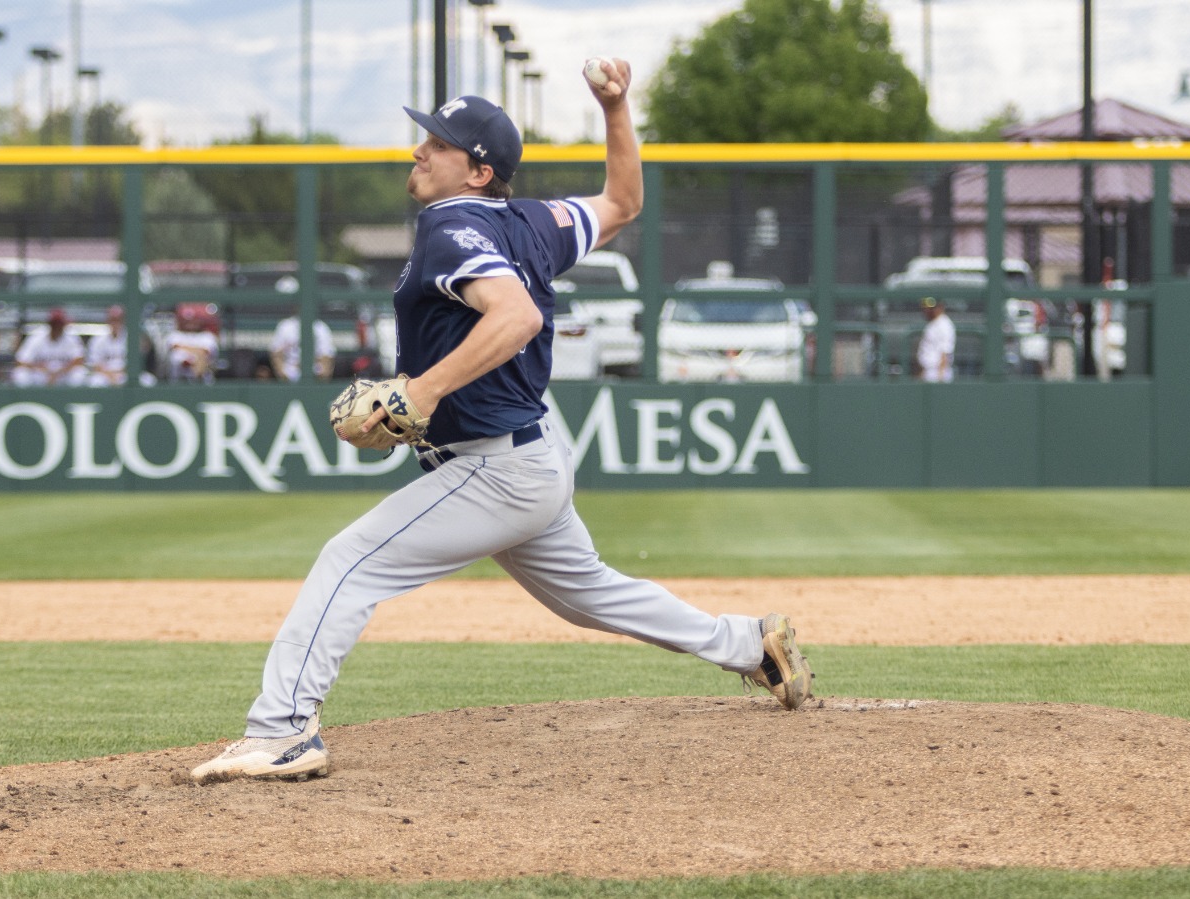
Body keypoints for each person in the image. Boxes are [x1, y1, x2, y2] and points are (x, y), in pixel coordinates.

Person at [192, 61, 814, 786]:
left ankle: (282, 731)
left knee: (349, 562)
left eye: (440, 142)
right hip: (528, 451)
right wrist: (615, 107)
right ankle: (749, 644)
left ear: (479, 171)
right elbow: (622, 200)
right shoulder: (534, 222)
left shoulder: (449, 224)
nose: (421, 149)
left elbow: (515, 315)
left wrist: (419, 391)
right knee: (590, 593)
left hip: (497, 465)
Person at [10, 307, 87, 386]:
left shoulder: (71, 336)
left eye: (59, 324)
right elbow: (20, 360)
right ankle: (25, 398)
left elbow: (80, 360)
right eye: (55, 324)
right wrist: (41, 369)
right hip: (41, 374)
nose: (57, 327)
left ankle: (75, 398)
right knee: (21, 373)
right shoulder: (37, 337)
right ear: (50, 325)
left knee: (79, 373)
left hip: (63, 374)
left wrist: (60, 372)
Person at [269, 314, 335, 382]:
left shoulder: (321, 327)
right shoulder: (285, 326)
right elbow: (276, 354)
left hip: (315, 372)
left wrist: (322, 377)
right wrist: (283, 376)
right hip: (290, 372)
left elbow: (327, 357)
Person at [164, 304, 219, 384]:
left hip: (203, 384)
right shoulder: (175, 335)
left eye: (194, 320)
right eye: (187, 320)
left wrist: (189, 351)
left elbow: (206, 351)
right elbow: (174, 346)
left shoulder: (207, 336)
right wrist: (198, 354)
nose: (190, 323)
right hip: (177, 383)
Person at [85, 304, 131, 386]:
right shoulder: (98, 339)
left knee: (147, 381)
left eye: (118, 320)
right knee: (96, 381)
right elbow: (94, 364)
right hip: (104, 374)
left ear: (123, 321)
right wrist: (110, 375)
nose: (115, 323)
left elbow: (133, 364)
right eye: (112, 320)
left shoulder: (130, 338)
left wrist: (118, 374)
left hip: (124, 374)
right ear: (107, 320)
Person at [917, 297, 956, 383]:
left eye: (931, 308)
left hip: (937, 372)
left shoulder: (944, 325)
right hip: (929, 371)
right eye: (925, 308)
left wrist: (940, 377)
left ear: (940, 307)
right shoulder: (934, 323)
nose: (927, 311)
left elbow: (945, 353)